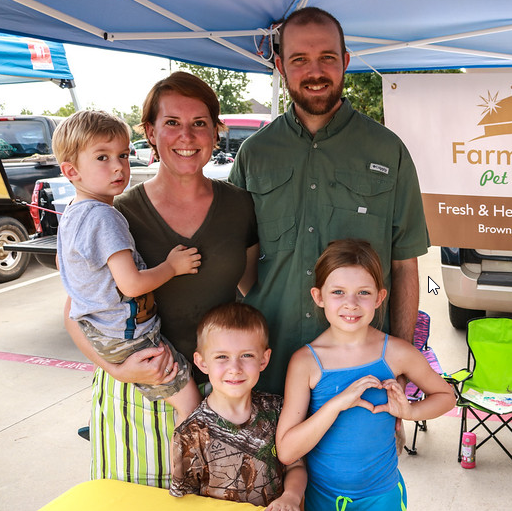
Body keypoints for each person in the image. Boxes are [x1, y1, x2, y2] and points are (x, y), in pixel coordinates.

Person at [66, 71, 259, 487]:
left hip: (221, 393)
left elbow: (253, 289)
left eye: (199, 123)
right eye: (171, 123)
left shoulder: (241, 206)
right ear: (150, 132)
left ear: (215, 131)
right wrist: (116, 370)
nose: (186, 136)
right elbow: (75, 312)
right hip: (134, 391)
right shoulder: (117, 213)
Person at [229, 6, 430, 396]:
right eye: (299, 59)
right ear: (281, 66)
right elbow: (238, 257)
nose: (314, 71)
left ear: (346, 62)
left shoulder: (389, 151)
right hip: (270, 366)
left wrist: (398, 367)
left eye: (327, 58)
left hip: (363, 375)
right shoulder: (255, 154)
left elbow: (404, 265)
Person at [276, 239, 454, 510]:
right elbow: (287, 451)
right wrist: (337, 404)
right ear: (318, 296)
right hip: (321, 497)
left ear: (379, 297)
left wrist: (410, 412)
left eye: (363, 293)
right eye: (338, 292)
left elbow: (446, 396)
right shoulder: (305, 362)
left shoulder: (397, 352)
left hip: (382, 498)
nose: (351, 303)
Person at [55, 110, 201, 424]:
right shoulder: (103, 217)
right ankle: (187, 472)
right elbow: (131, 285)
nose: (119, 166)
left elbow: (63, 265)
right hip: (132, 339)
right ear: (71, 171)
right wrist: (172, 267)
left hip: (100, 334)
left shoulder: (72, 213)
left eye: (123, 154)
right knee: (192, 406)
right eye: (102, 158)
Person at [171, 302, 306, 510]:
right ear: (202, 362)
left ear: (264, 359)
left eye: (247, 355)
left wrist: (291, 496)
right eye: (222, 357)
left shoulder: (278, 410)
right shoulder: (190, 432)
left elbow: (296, 466)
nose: (235, 368)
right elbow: (184, 500)